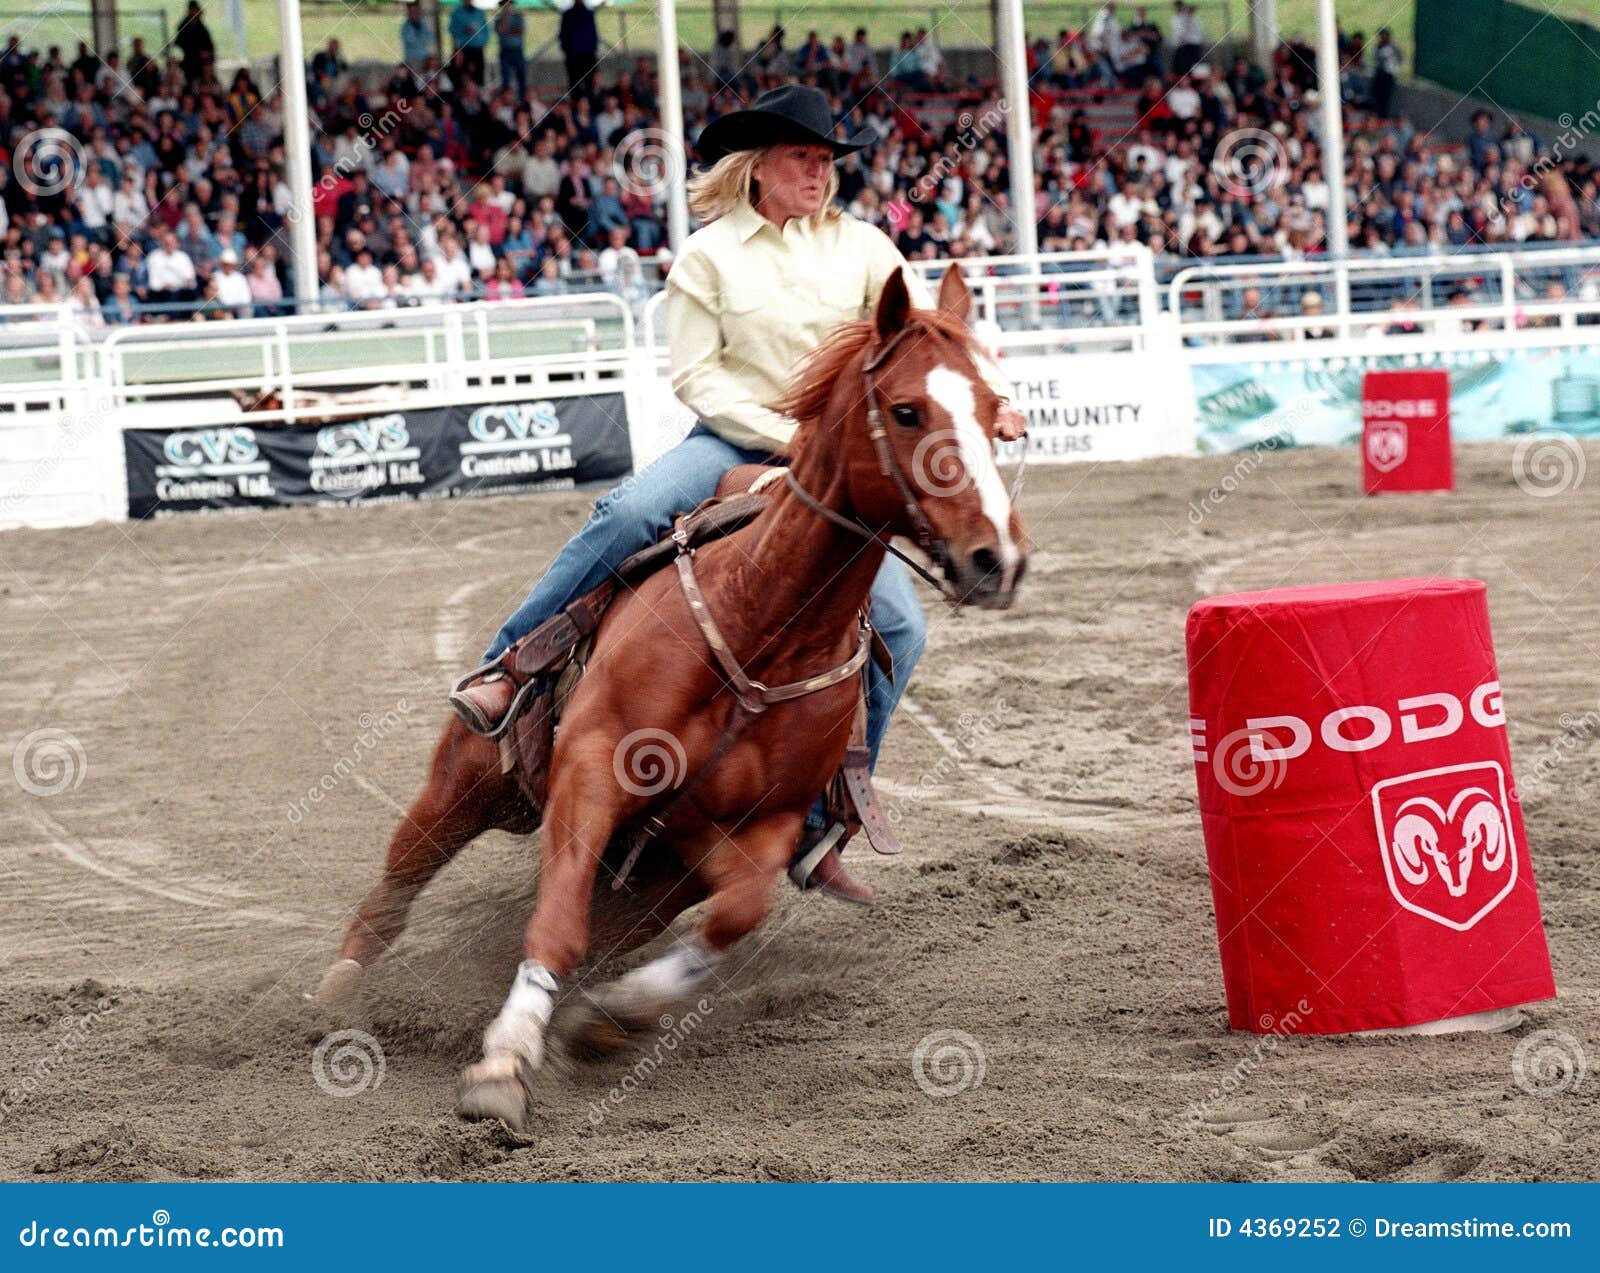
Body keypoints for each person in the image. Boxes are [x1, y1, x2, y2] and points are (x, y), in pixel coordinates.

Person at [448, 86, 1018, 904]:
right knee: (627, 512)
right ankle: (511, 663)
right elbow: (698, 377)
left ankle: (822, 818)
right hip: (727, 440)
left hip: (834, 470)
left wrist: (994, 401)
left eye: (825, 160)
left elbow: (931, 345)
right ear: (757, 169)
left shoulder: (865, 248)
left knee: (901, 624)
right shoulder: (708, 257)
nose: (818, 173)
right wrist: (791, 439)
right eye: (802, 159)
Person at [560, 0, 600, 98]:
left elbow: (593, 35)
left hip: (587, 55)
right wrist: (567, 50)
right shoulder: (568, 14)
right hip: (573, 56)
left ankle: (589, 102)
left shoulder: (589, 14)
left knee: (589, 84)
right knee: (575, 84)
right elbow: (563, 35)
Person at [496, 0, 526, 99]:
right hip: (505, 51)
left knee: (521, 77)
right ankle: (506, 99)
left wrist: (507, 32)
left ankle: (522, 99)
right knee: (506, 78)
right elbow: (500, 31)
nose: (507, 7)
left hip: (518, 50)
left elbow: (520, 31)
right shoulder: (498, 19)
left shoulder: (518, 17)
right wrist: (506, 20)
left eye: (508, 5)